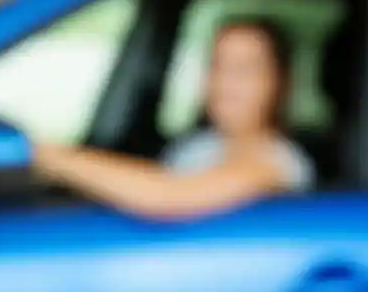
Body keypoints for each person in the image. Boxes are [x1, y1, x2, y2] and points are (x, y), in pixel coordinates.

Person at [31, 18, 314, 221]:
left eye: (245, 70)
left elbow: (167, 197)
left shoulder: (276, 164)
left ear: (278, 84)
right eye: (217, 65)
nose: (225, 82)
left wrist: (48, 156)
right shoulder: (198, 147)